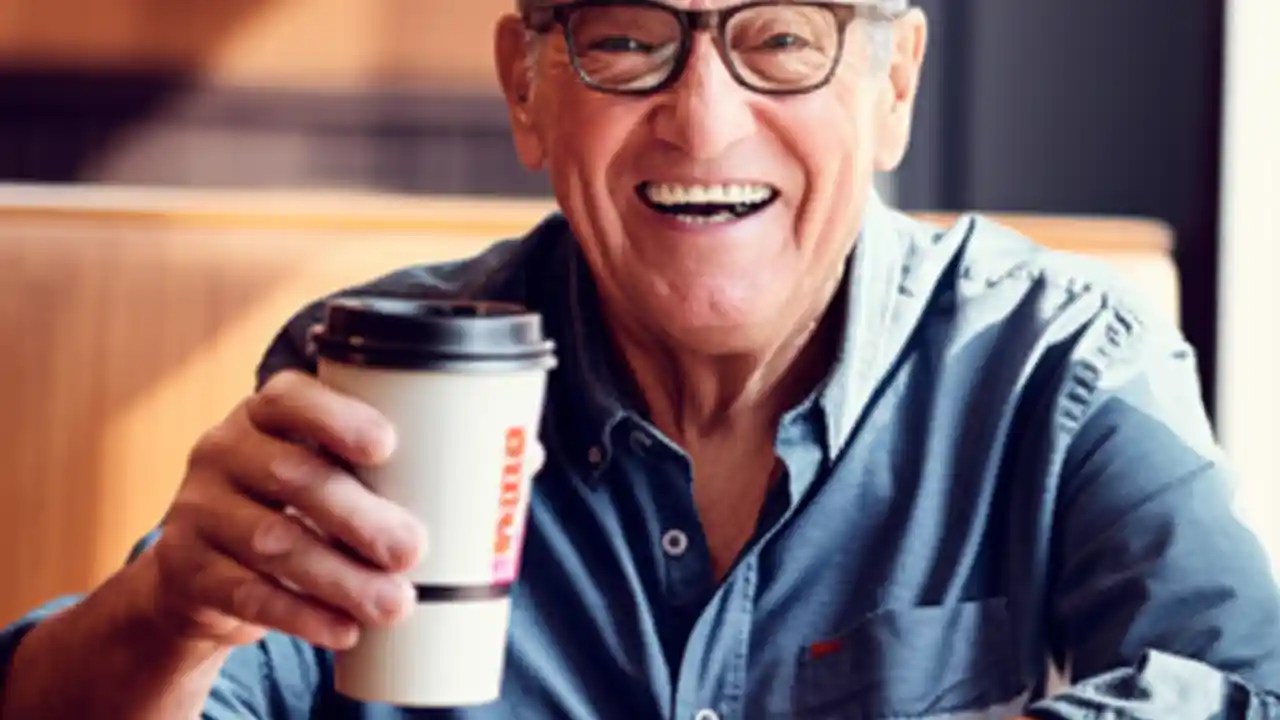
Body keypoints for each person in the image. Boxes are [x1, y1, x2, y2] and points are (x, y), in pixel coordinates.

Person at [2, 0, 1278, 717]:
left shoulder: (1056, 366)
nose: (704, 119)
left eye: (784, 39)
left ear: (893, 88)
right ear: (526, 88)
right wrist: (171, 612)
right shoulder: (378, 378)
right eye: (625, 36)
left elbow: (1247, 697)